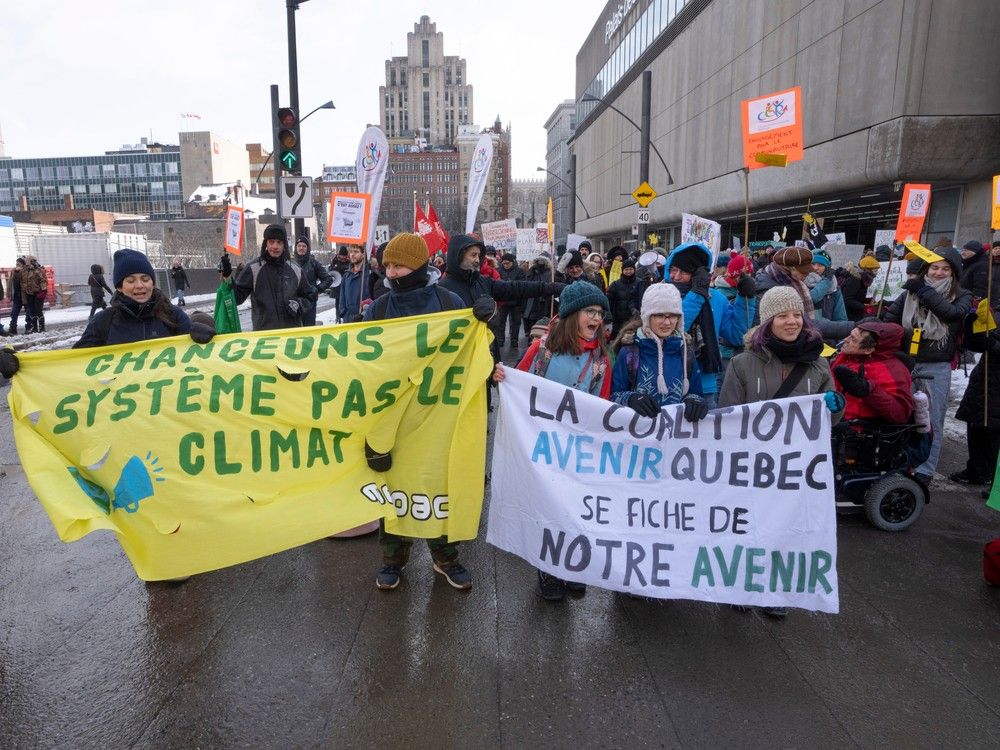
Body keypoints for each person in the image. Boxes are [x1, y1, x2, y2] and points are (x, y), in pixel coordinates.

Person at [361, 232, 477, 593]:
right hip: (395, 420)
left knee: (437, 486)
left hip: (438, 418)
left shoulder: (449, 302)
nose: (392, 273)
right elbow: (361, 369)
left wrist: (483, 322)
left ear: (419, 265)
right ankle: (392, 559)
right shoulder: (378, 309)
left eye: (399, 265)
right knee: (394, 489)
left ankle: (446, 558)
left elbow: (471, 355)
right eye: (388, 266)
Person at [720, 286, 844, 618]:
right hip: (751, 465)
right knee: (748, 527)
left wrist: (835, 407)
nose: (791, 322)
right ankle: (741, 586)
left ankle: (775, 591)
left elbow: (829, 417)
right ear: (767, 322)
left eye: (796, 316)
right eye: (782, 316)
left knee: (785, 529)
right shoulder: (743, 364)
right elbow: (727, 415)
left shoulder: (819, 365)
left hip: (794, 468)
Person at [496, 281, 614, 602]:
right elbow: (518, 384)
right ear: (572, 314)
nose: (597, 319)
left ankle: (572, 568)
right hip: (544, 446)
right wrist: (500, 376)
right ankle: (549, 570)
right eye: (590, 311)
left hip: (576, 450)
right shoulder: (543, 350)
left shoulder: (602, 360)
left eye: (600, 313)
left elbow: (601, 406)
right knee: (549, 510)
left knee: (574, 510)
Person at [882, 247, 972, 481]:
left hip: (936, 366)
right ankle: (900, 461)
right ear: (926, 268)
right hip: (906, 363)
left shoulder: (962, 295)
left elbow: (951, 314)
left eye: (945, 268)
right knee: (901, 416)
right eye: (934, 267)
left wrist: (923, 290)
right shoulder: (909, 294)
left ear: (953, 272)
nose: (940, 272)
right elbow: (890, 321)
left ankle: (925, 469)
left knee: (932, 420)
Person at [664, 242, 756, 408]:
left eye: (683, 272)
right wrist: (697, 295)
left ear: (696, 274)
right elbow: (674, 330)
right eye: (673, 270)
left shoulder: (716, 298)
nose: (676, 276)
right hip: (667, 382)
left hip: (705, 384)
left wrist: (745, 298)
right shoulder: (660, 295)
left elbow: (737, 335)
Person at [610, 283, 709, 420]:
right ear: (647, 317)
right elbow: (613, 395)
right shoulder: (630, 352)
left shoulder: (685, 352)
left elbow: (696, 392)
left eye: (672, 316)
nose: (667, 322)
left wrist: (695, 401)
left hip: (674, 435)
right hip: (639, 433)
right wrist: (630, 399)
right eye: (660, 315)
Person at [227, 224, 316, 331]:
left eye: (279, 242)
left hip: (291, 336)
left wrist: (299, 304)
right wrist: (227, 278)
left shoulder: (295, 269)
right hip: (264, 337)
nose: (275, 246)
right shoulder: (253, 268)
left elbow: (310, 296)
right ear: (266, 244)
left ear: (284, 245)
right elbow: (235, 299)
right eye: (271, 242)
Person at [830, 322, 914, 424]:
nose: (845, 340)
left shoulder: (893, 370)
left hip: (865, 433)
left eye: (853, 339)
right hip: (835, 425)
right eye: (849, 335)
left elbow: (901, 414)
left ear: (868, 350)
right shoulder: (844, 357)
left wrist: (868, 389)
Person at [951, 322, 1000, 487]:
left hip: (996, 382)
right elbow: (974, 344)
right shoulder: (996, 311)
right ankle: (977, 471)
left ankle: (994, 480)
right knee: (976, 426)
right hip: (984, 378)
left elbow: (993, 344)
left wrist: (994, 344)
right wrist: (973, 326)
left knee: (993, 432)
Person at [291, 235, 333, 325]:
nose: (301, 248)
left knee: (308, 332)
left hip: (309, 304)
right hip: (293, 304)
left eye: (304, 246)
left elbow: (328, 279)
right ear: (296, 247)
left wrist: (316, 289)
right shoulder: (289, 263)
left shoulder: (314, 263)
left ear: (308, 248)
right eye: (299, 246)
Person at [494, 252, 525, 354]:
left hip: (515, 302)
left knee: (515, 323)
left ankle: (514, 340)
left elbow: (522, 285)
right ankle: (500, 340)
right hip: (502, 302)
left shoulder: (519, 271)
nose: (505, 265)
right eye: (504, 263)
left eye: (507, 263)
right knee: (500, 322)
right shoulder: (499, 271)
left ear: (512, 262)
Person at [606, 257, 642, 338]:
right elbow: (608, 302)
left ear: (634, 270)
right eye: (626, 269)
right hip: (618, 322)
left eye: (630, 269)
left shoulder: (639, 283)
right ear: (622, 270)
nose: (628, 271)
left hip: (634, 320)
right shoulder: (615, 285)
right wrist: (609, 318)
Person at [809, 249, 847, 322]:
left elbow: (840, 315)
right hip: (811, 329)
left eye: (820, 265)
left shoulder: (834, 287)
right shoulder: (802, 282)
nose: (815, 268)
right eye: (813, 264)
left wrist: (841, 329)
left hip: (829, 330)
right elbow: (813, 298)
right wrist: (827, 280)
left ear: (827, 268)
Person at [337, 244, 367, 323]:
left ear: (363, 254)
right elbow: (342, 297)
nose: (352, 254)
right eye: (351, 251)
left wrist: (364, 314)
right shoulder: (346, 275)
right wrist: (343, 313)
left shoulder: (369, 274)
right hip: (348, 320)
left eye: (356, 252)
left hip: (365, 320)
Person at [22, 256, 48, 334]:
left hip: (38, 293)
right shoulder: (25, 270)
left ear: (31, 261)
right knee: (32, 311)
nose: (26, 261)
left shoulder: (38, 270)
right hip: (29, 293)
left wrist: (43, 290)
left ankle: (42, 327)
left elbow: (43, 281)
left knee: (38, 310)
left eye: (27, 260)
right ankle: (35, 327)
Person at [7, 258, 26, 335]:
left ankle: (29, 328)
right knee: (14, 314)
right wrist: (9, 293)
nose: (17, 266)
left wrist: (18, 272)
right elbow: (10, 283)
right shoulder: (13, 272)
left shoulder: (24, 272)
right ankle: (12, 329)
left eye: (19, 264)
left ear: (23, 265)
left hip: (24, 296)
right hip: (16, 297)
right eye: (16, 264)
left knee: (28, 313)